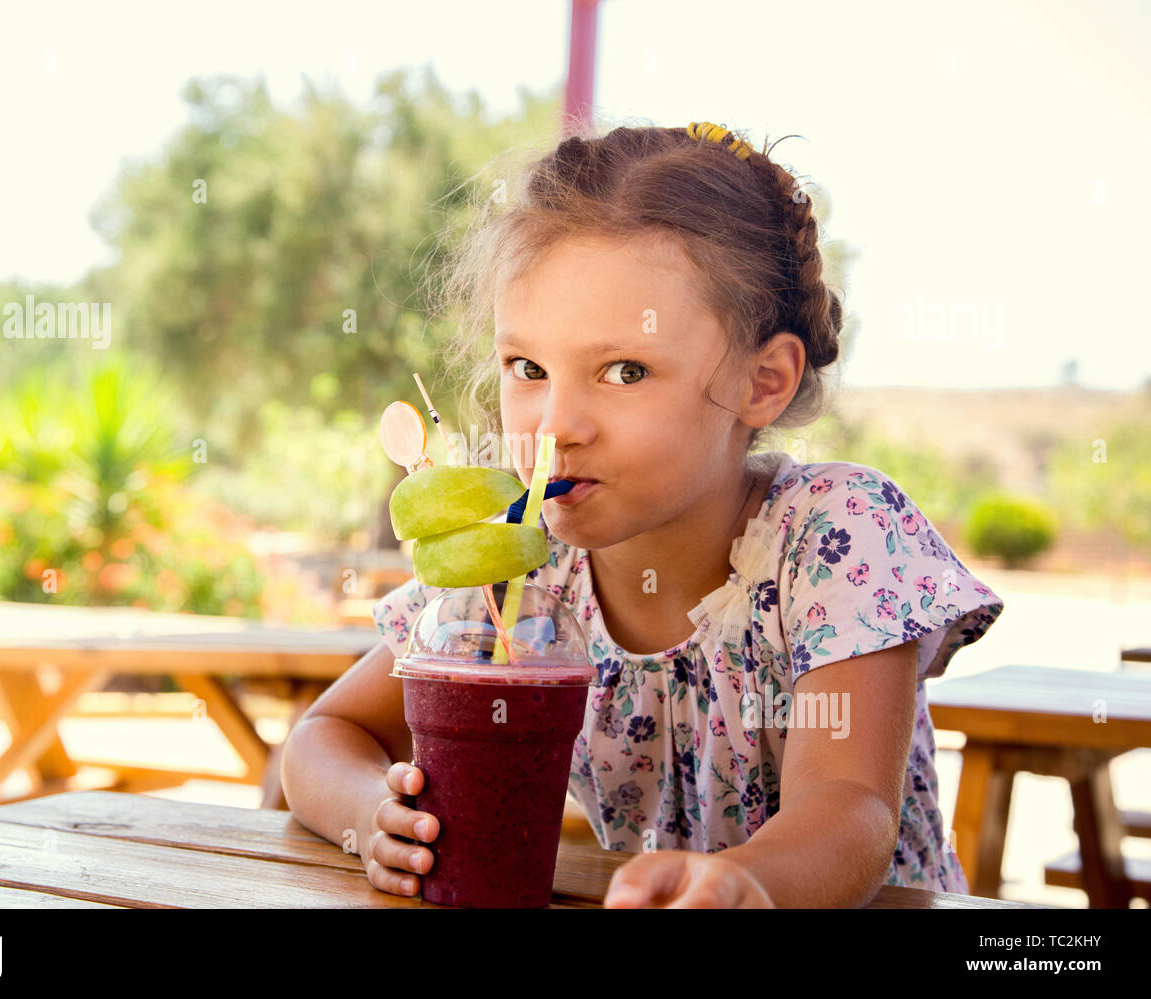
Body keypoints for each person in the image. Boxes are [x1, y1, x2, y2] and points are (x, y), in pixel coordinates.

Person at [282, 120, 1005, 908]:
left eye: (625, 370)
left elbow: (850, 806)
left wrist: (744, 884)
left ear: (762, 382)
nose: (556, 425)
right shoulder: (515, 560)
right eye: (527, 367)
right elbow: (323, 739)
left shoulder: (832, 539)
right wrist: (371, 813)